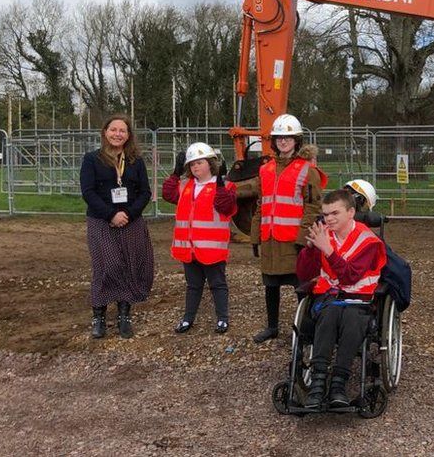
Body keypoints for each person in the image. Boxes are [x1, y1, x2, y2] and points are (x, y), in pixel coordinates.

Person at [235, 114, 327, 343]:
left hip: (293, 241)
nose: (283, 142)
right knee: (270, 285)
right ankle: (272, 327)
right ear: (274, 141)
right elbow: (260, 205)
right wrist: (255, 236)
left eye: (288, 137)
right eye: (279, 138)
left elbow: (313, 206)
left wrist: (303, 237)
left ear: (296, 140)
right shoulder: (266, 170)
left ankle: (305, 331)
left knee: (300, 286)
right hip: (270, 238)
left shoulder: (308, 170)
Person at [296, 189, 388, 409]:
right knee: (328, 316)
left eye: (335, 213)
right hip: (331, 298)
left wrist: (327, 250)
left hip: (359, 300)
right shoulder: (323, 235)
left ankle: (339, 382)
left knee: (351, 320)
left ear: (351, 212)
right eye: (326, 214)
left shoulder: (368, 241)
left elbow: (350, 276)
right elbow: (303, 274)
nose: (329, 219)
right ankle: (318, 382)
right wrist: (309, 251)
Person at [80, 114, 155, 339]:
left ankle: (124, 315)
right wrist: (111, 215)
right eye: (113, 129)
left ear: (128, 135)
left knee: (128, 265)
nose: (117, 134)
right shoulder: (92, 159)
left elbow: (145, 192)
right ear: (105, 132)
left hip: (131, 222)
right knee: (106, 266)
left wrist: (129, 214)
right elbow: (88, 192)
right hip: (102, 221)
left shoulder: (135, 161)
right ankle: (99, 315)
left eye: (122, 131)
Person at [162, 142, 238, 334]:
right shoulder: (186, 186)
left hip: (212, 249)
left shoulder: (225, 186)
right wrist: (175, 173)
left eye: (200, 162)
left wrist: (220, 183)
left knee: (217, 284)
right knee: (193, 285)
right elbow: (168, 194)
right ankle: (188, 319)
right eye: (192, 164)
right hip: (189, 248)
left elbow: (225, 207)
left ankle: (222, 318)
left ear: (211, 164)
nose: (196, 167)